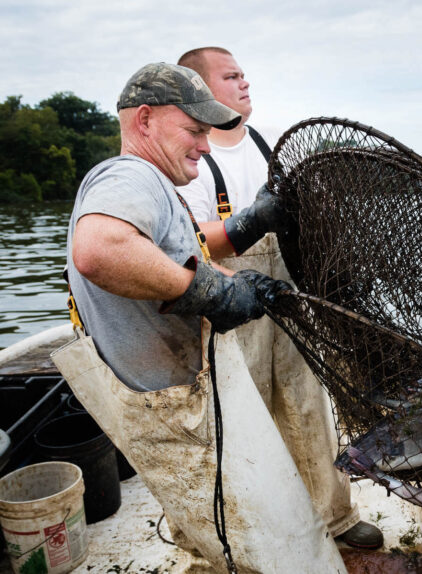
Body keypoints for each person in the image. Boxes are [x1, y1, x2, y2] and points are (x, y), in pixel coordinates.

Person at [52, 62, 348, 573]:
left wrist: (248, 228)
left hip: (174, 402)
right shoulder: (128, 175)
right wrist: (206, 290)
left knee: (223, 535)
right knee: (250, 542)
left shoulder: (154, 186)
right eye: (193, 130)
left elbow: (176, 250)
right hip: (170, 410)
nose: (206, 145)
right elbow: (98, 250)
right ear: (144, 121)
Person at [176, 47, 383, 550]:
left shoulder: (270, 147)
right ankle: (242, 534)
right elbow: (189, 243)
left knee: (307, 406)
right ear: (200, 90)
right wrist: (252, 222)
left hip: (288, 298)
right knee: (240, 417)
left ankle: (335, 517)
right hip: (229, 300)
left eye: (245, 74)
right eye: (231, 76)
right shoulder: (194, 159)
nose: (245, 83)